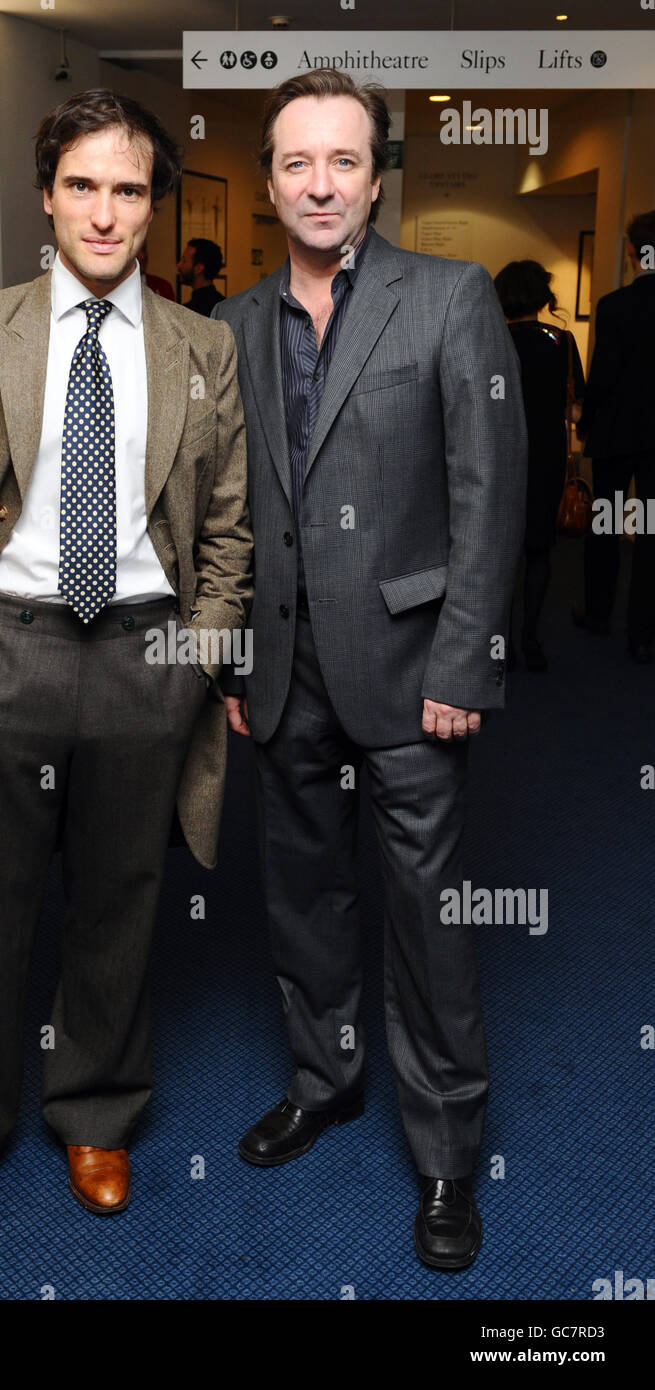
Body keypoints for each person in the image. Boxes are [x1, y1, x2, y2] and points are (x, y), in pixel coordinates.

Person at [0, 87, 252, 1232]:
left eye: (128, 189)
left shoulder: (203, 346)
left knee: (118, 901)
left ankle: (95, 1112)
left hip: (145, 656)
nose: (103, 213)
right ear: (45, 197)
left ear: (155, 205)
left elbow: (229, 535)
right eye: (81, 186)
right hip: (7, 649)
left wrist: (191, 663)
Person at [212, 69, 526, 1271]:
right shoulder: (235, 324)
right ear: (268, 181)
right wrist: (236, 658)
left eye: (342, 160)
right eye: (297, 162)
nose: (320, 183)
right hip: (281, 673)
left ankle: (446, 1153)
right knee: (300, 903)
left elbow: (486, 497)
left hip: (410, 675)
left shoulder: (447, 299)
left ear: (376, 175)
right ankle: (323, 1078)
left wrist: (464, 662)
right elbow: (229, 514)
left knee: (429, 924)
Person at [494, 260, 585, 672]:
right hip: (545, 453)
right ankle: (530, 639)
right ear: (543, 297)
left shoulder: (490, 339)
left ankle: (502, 647)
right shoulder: (562, 341)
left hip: (498, 454)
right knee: (539, 549)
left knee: (499, 555)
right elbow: (576, 411)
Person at [574, 210, 655, 663]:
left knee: (604, 527)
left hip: (617, 434)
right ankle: (643, 632)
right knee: (652, 534)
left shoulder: (614, 306)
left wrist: (586, 423)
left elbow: (603, 376)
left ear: (631, 252)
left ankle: (599, 612)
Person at [177, 238, 225, 316]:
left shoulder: (189, 312)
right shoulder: (224, 305)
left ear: (199, 268)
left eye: (184, 261)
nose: (179, 265)